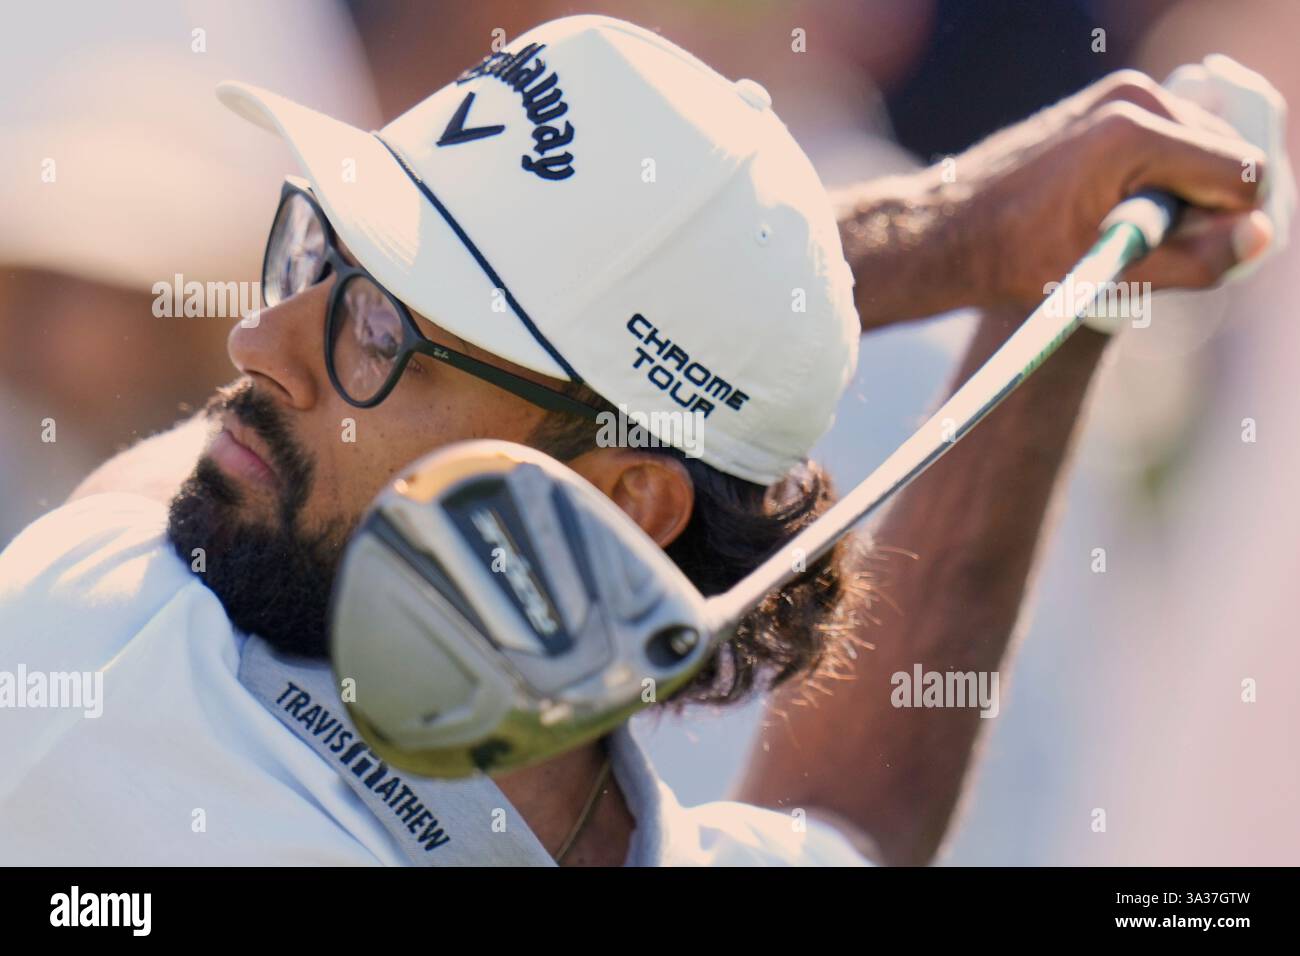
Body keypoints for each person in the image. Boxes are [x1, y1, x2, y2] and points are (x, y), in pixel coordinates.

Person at [0, 15, 1276, 865]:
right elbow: (851, 834)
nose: (260, 342)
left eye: (380, 323)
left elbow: (843, 838)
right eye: (319, 248)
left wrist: (992, 262)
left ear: (625, 502)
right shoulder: (112, 658)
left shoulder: (118, 626)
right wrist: (1016, 278)